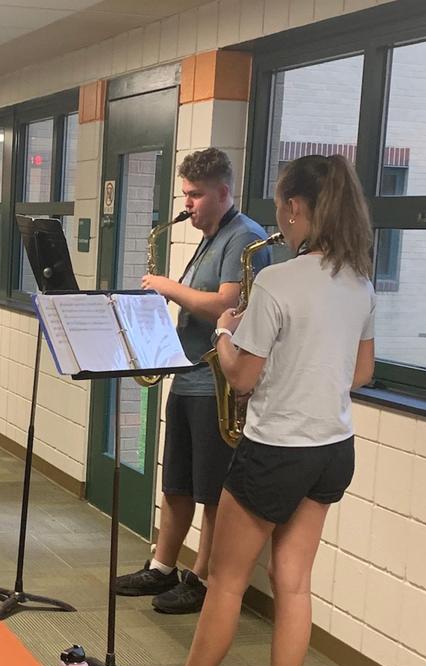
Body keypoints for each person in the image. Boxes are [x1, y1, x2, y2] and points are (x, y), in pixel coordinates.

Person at [129, 154, 376, 666]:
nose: (279, 222)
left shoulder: (279, 282)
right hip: (331, 451)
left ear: (296, 208)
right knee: (294, 588)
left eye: (281, 209)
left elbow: (241, 377)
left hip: (275, 451)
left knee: (226, 582)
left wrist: (224, 331)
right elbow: (361, 373)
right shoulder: (361, 282)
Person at [115, 147, 270, 614]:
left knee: (212, 493)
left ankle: (201, 577)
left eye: (197, 195)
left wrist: (166, 287)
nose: (188, 204)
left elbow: (225, 305)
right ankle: (163, 565)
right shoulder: (210, 236)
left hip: (217, 387)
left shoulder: (245, 238)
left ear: (224, 192)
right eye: (185, 194)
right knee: (177, 483)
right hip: (188, 377)